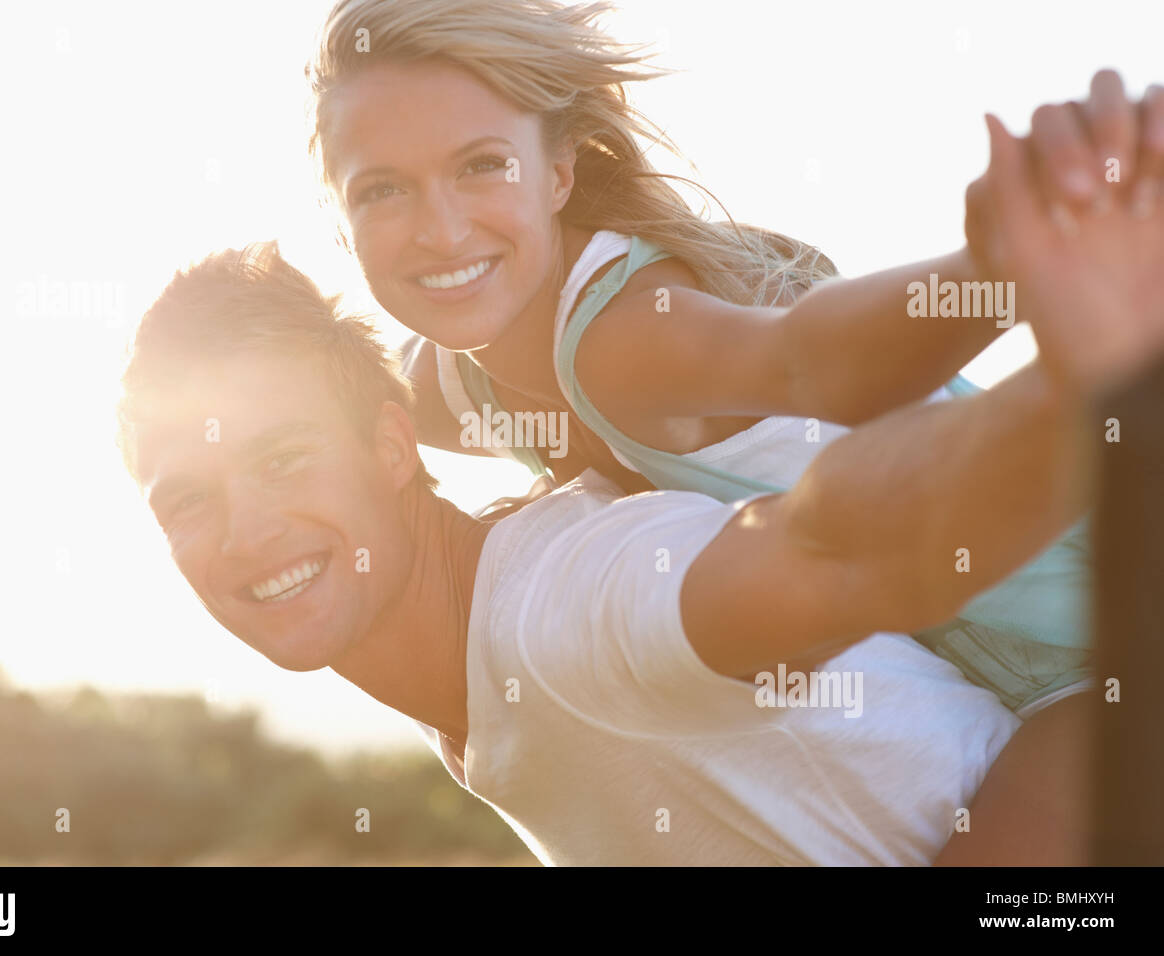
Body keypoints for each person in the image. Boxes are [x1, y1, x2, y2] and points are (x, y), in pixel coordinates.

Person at [116, 147, 1163, 858]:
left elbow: (837, 546)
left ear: (392, 450)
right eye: (187, 499)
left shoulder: (576, 601)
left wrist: (1088, 357)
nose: (247, 529)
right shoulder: (473, 685)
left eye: (287, 456)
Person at [303, 0, 1164, 716]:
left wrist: (1002, 269)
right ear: (338, 218)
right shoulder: (448, 378)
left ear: (558, 171)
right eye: (383, 189)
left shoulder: (622, 335)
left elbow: (804, 361)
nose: (442, 229)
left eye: (482, 166)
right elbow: (318, 410)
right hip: (979, 667)